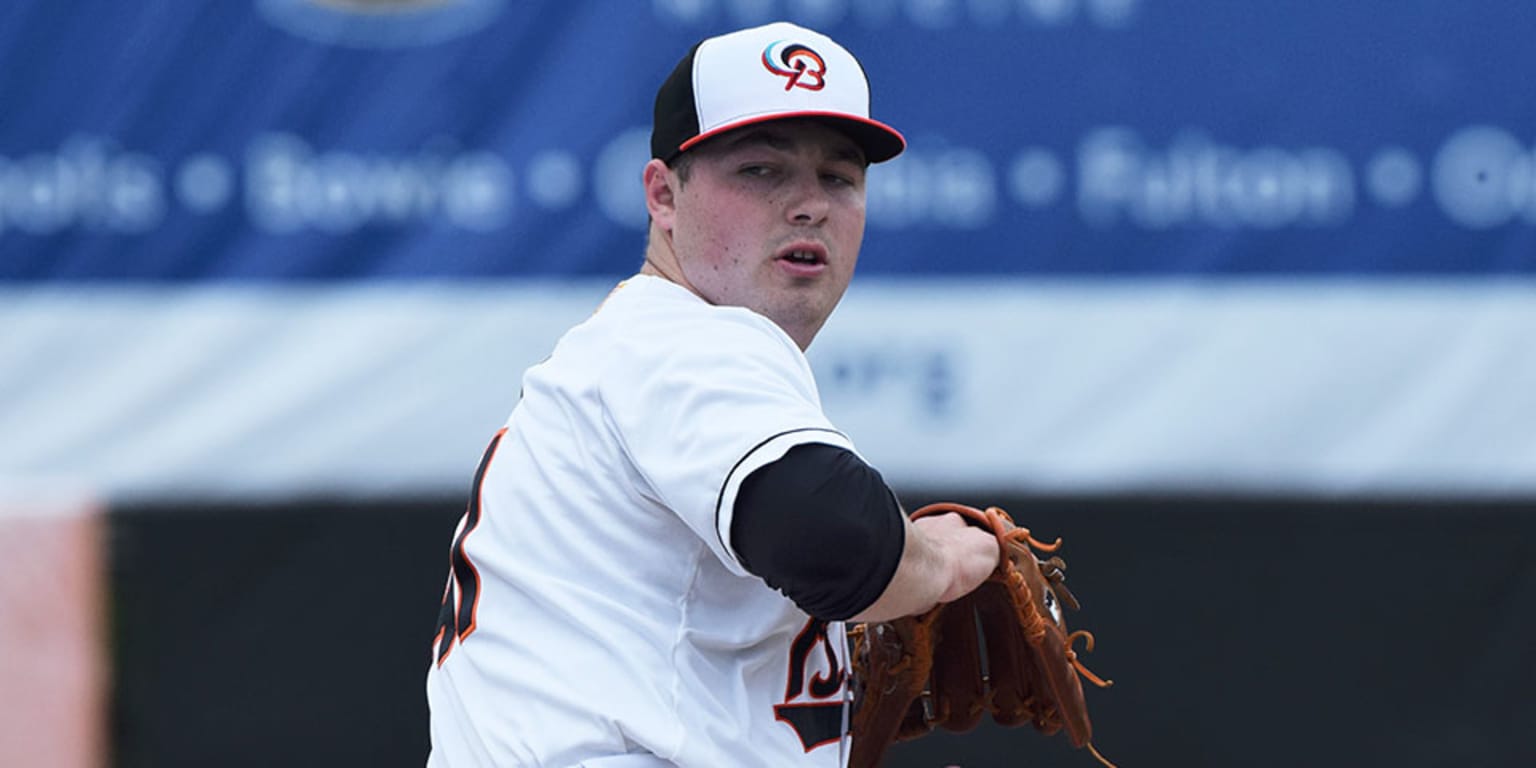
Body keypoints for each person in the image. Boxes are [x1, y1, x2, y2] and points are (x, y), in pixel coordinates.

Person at [425, 21, 1000, 768]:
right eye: (761, 170)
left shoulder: (626, 351)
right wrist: (940, 567)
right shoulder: (686, 340)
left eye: (840, 176)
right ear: (663, 195)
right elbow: (833, 537)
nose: (809, 204)